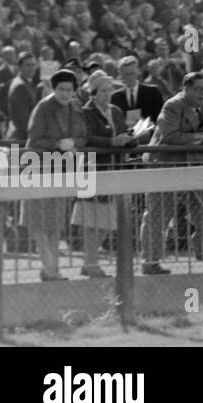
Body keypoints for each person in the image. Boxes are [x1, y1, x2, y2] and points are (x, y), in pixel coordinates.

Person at [142, 70, 203, 274]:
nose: (202, 93)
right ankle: (150, 261)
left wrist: (201, 138)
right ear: (186, 89)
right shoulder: (172, 106)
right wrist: (200, 138)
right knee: (158, 216)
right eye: (197, 89)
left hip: (198, 167)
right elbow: (170, 136)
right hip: (166, 167)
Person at [23, 69, 88, 280]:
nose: (65, 93)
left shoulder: (76, 107)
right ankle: (50, 267)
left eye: (69, 89)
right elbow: (33, 140)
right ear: (53, 89)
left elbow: (83, 136)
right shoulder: (43, 108)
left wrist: (74, 143)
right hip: (38, 169)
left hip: (62, 170)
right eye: (61, 89)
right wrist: (58, 144)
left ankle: (51, 268)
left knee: (56, 222)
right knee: (38, 221)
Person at [76, 69, 135, 277]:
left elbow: (123, 131)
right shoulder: (85, 112)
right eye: (103, 90)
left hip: (113, 170)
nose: (108, 94)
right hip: (93, 170)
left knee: (107, 221)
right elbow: (86, 137)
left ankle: (90, 262)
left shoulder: (116, 111)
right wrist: (111, 142)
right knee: (92, 221)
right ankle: (90, 263)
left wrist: (130, 138)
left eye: (110, 90)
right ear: (93, 92)